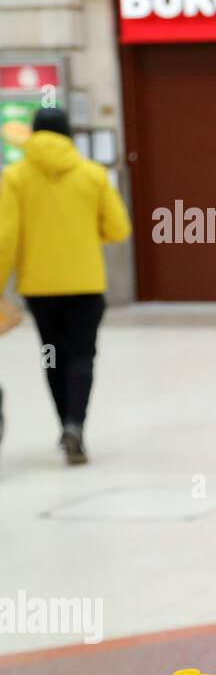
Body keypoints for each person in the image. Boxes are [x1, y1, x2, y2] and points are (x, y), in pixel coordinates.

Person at [0, 107, 131, 464]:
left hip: (40, 288)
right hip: (86, 284)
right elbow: (119, 229)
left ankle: (63, 425)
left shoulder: (15, 178)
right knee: (82, 355)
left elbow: (6, 237)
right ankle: (76, 425)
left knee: (53, 355)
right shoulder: (92, 175)